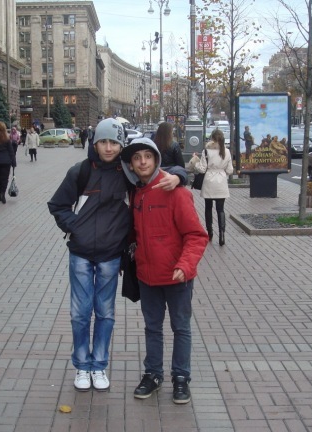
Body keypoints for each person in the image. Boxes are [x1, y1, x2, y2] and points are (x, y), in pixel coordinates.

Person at [47, 118, 187, 393]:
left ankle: (98, 365)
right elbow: (57, 205)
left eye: (113, 142)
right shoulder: (80, 171)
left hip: (111, 255)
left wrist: (180, 176)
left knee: (105, 313)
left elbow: (166, 170)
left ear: (121, 145)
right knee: (80, 313)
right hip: (81, 254)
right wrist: (76, 227)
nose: (109, 148)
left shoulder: (128, 174)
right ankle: (82, 365)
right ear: (95, 144)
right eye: (103, 142)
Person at [121, 137, 208, 404]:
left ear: (157, 159)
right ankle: (153, 374)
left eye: (148, 156)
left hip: (177, 276)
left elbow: (196, 235)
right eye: (137, 158)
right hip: (147, 276)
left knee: (180, 328)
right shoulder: (136, 192)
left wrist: (185, 265)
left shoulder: (176, 191)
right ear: (131, 165)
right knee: (152, 328)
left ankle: (181, 378)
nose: (143, 162)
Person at [187, 128, 234, 246]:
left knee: (208, 208)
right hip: (221, 182)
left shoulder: (207, 151)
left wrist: (195, 161)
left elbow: (202, 169)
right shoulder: (227, 151)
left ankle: (210, 232)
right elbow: (230, 170)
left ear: (212, 138)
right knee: (220, 209)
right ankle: (222, 234)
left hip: (209, 181)